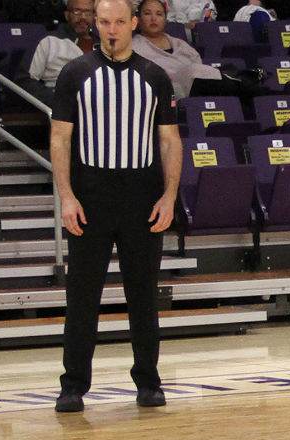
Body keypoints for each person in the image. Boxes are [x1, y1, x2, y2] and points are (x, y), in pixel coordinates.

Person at [50, 0, 181, 413]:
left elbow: (169, 141)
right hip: (91, 197)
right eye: (103, 21)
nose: (110, 29)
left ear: (133, 24)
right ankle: (72, 385)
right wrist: (67, 197)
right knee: (82, 297)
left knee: (143, 295)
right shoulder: (75, 73)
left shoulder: (155, 76)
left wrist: (169, 196)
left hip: (141, 197)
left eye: (118, 22)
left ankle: (149, 382)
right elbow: (60, 139)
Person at [132, 0, 220, 99]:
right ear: (138, 19)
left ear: (165, 19)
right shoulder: (133, 47)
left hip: (199, 94)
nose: (153, 18)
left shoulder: (181, 45)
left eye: (159, 14)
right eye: (147, 14)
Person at [22, 0, 95, 106]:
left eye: (88, 12)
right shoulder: (48, 41)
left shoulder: (104, 44)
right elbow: (25, 80)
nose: (83, 17)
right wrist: (55, 99)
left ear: (94, 16)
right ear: (67, 15)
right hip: (63, 105)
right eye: (77, 11)